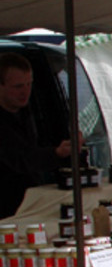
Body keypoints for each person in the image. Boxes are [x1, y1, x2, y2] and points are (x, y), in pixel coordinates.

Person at [0, 53, 76, 218]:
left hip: (28, 204)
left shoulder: (27, 112)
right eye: (18, 86)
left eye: (29, 84)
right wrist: (56, 153)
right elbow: (19, 158)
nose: (25, 91)